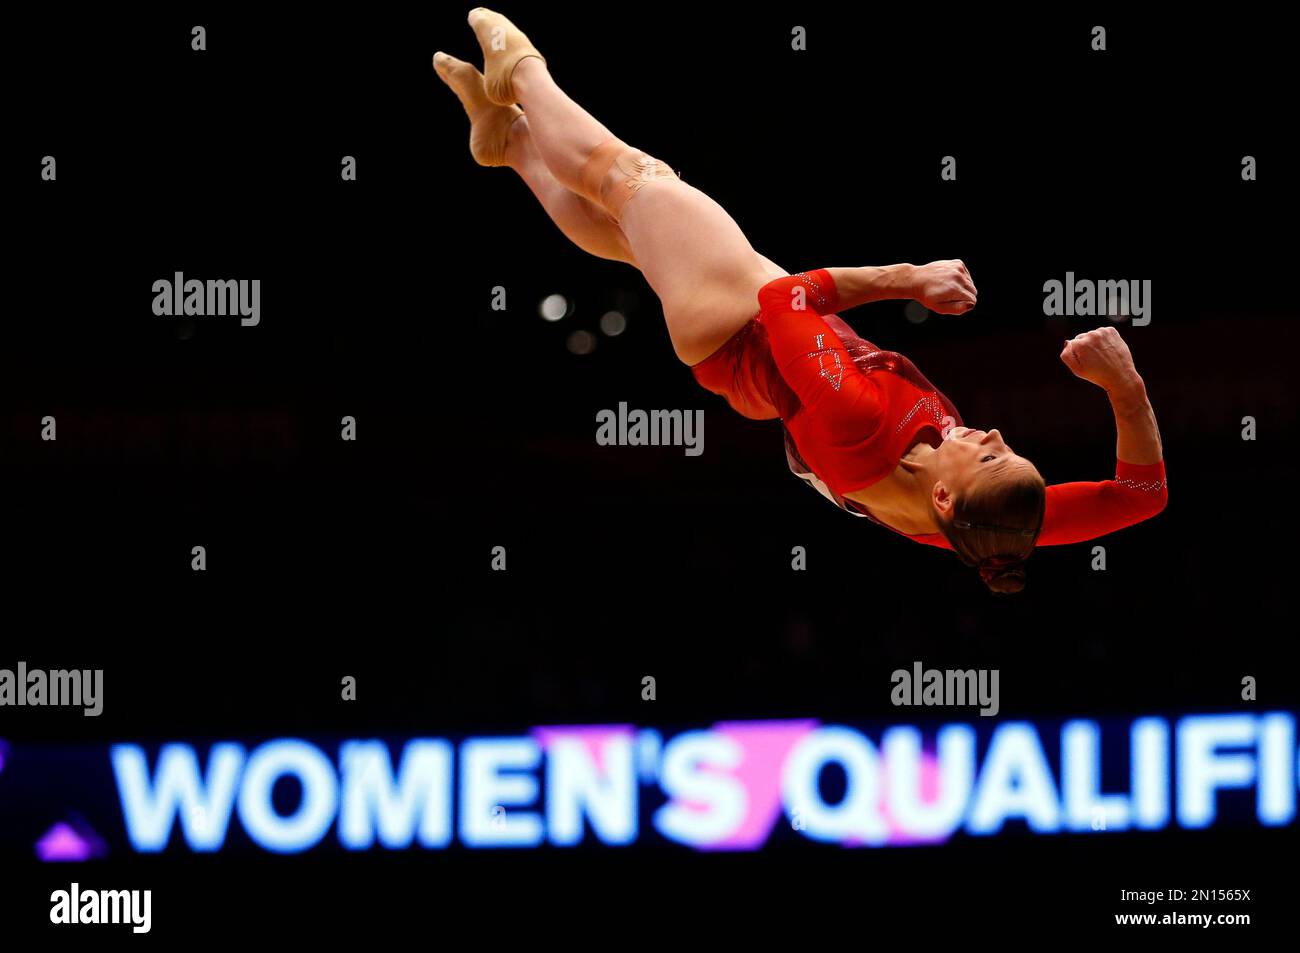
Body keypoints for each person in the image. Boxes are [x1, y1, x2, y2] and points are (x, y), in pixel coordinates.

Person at [434, 8, 1167, 593]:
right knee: (632, 231)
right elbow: (1139, 499)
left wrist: (909, 276)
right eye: (1009, 450)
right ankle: (513, 146)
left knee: (630, 178)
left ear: (944, 499)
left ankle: (521, 70)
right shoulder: (991, 523)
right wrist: (1125, 390)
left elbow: (788, 297)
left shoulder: (864, 426)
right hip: (766, 364)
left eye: (990, 454)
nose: (996, 437)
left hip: (741, 326)